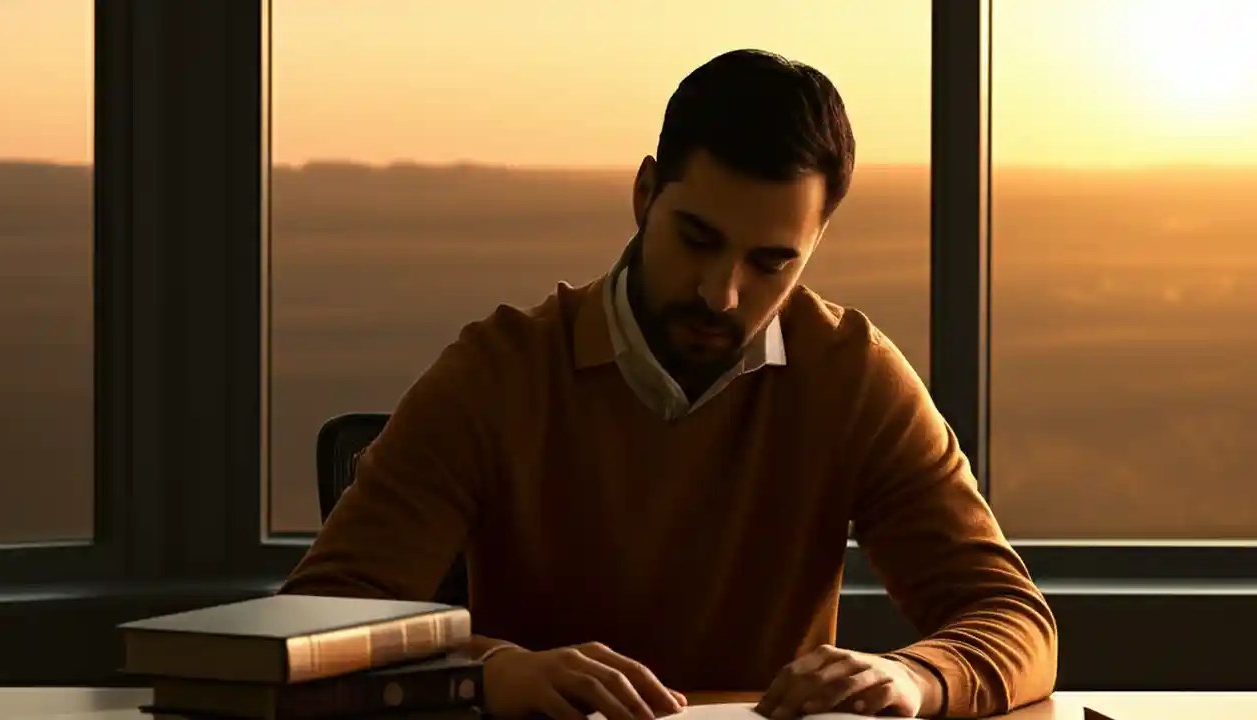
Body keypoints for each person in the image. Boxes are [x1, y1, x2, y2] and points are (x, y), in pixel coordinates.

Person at [279, 48, 1057, 719]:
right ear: (646, 194)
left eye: (771, 262)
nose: (721, 292)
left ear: (817, 242)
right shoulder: (499, 372)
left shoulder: (850, 377)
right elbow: (311, 629)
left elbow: (1012, 619)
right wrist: (493, 673)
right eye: (698, 239)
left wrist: (915, 676)